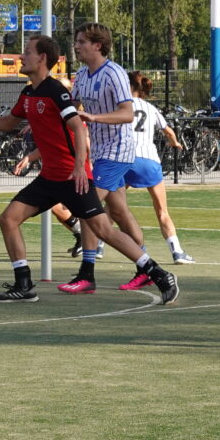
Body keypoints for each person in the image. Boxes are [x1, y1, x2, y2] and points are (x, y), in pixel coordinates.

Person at [0, 34, 179, 305]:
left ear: (42, 58)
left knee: (104, 230)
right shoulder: (29, 93)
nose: (22, 57)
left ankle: (160, 274)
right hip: (50, 178)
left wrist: (80, 167)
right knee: (8, 219)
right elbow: (8, 123)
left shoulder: (56, 91)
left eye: (27, 52)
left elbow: (78, 129)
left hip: (72, 178)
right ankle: (24, 284)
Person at [63, 21, 144, 293]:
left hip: (117, 151)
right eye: (77, 41)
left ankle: (87, 275)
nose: (77, 46)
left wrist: (94, 117)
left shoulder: (114, 74)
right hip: (98, 152)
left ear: (98, 45)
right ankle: (147, 267)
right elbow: (71, 109)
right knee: (119, 212)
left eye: (82, 42)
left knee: (86, 206)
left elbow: (128, 114)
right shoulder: (82, 75)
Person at [120, 71, 193, 287]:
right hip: (150, 161)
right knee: (162, 211)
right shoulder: (151, 108)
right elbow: (168, 131)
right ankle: (177, 252)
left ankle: (98, 246)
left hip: (126, 160)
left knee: (114, 207)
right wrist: (175, 143)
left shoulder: (121, 104)